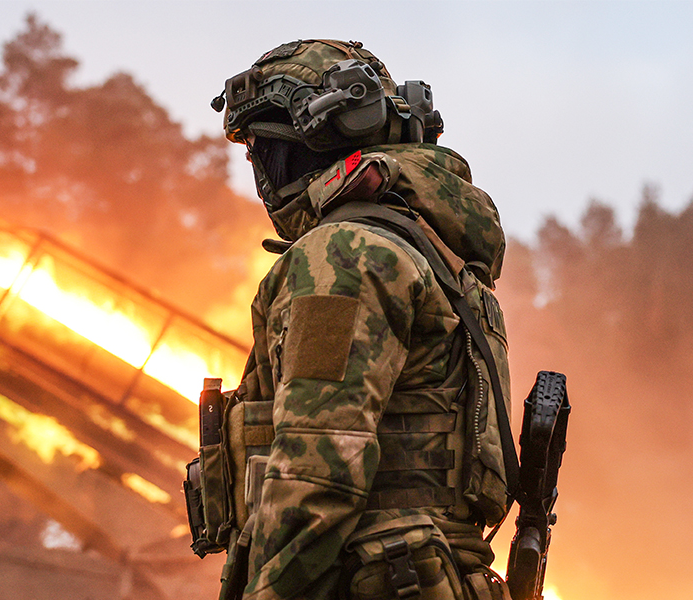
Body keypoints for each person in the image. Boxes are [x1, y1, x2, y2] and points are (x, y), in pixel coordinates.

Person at [210, 40, 515, 600]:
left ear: (307, 141)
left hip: (370, 577)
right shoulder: (435, 254)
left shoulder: (346, 253)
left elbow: (319, 465)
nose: (258, 169)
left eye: (260, 149)